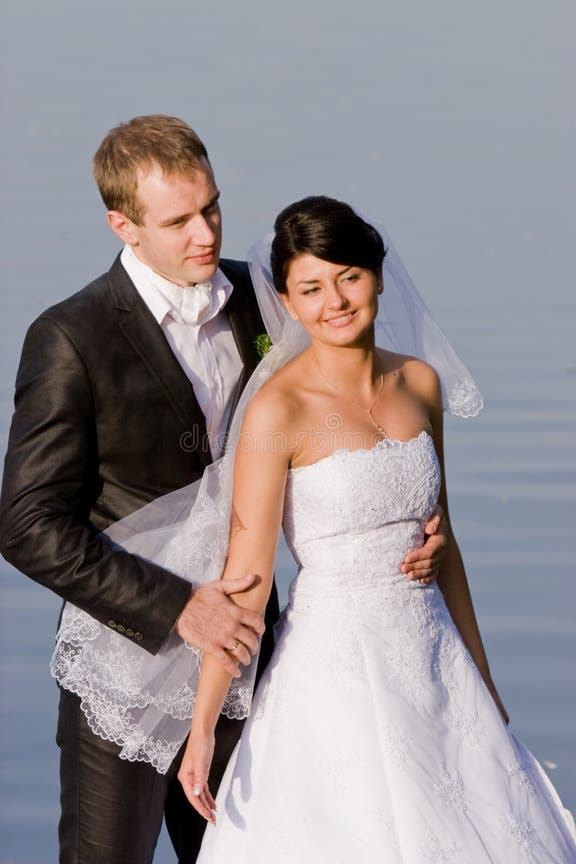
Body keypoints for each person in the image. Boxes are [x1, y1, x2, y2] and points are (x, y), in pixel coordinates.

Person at [0, 120, 446, 864]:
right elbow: (26, 525)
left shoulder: (265, 302)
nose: (204, 233)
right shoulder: (69, 337)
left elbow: (352, 409)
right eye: (177, 221)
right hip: (126, 668)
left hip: (254, 661)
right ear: (124, 226)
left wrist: (409, 520)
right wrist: (181, 607)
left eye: (211, 207)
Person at [171, 197, 575, 862]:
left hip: (436, 662)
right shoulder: (280, 408)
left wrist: (485, 682)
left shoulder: (419, 382)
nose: (334, 300)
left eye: (348, 276)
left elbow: (446, 545)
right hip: (336, 670)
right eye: (311, 287)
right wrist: (205, 724)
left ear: (379, 275)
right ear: (288, 302)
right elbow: (246, 578)